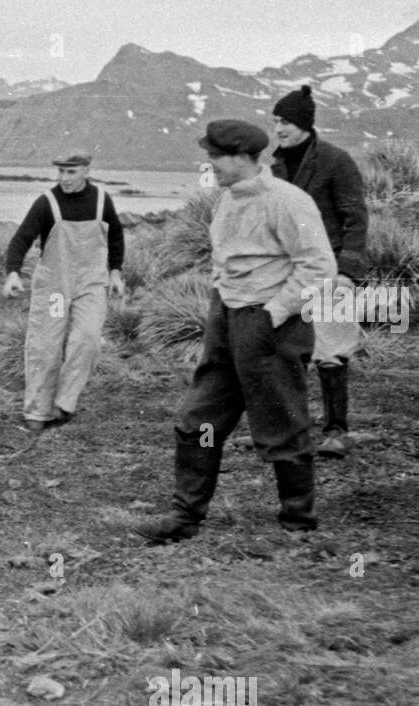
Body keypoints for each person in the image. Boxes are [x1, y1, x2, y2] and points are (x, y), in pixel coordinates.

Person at [132, 120, 336, 544]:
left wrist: (274, 313)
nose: (210, 164)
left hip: (271, 325)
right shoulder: (228, 199)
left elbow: (319, 267)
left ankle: (298, 522)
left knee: (281, 419)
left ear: (244, 158)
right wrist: (222, 304)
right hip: (226, 318)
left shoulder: (288, 201)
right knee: (199, 418)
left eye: (216, 157)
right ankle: (185, 517)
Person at [270, 85, 369, 459]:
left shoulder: (336, 161)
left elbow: (355, 219)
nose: (279, 129)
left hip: (330, 269)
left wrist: (347, 272)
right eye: (276, 121)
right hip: (288, 270)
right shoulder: (276, 165)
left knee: (331, 348)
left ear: (305, 124)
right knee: (282, 348)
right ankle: (286, 429)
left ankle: (336, 430)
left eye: (287, 121)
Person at [3, 150, 126, 433]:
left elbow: (116, 236)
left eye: (71, 172)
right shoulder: (47, 202)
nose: (64, 178)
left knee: (87, 339)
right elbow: (21, 238)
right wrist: (13, 272)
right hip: (55, 288)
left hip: (91, 283)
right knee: (45, 346)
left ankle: (64, 402)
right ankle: (38, 410)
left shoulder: (101, 200)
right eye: (60, 172)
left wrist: (116, 272)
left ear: (86, 170)